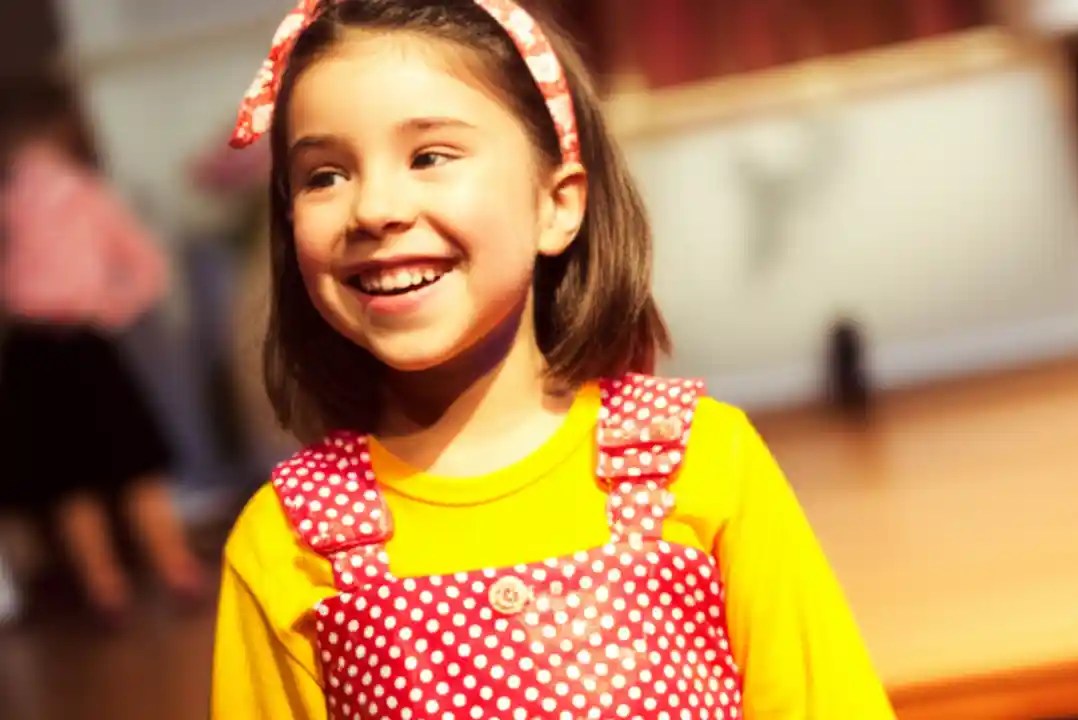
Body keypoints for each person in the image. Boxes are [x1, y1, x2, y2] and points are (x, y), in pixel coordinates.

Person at [211, 1, 895, 717]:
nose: (375, 208)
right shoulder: (286, 542)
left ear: (556, 205)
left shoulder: (704, 461)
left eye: (430, 156)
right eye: (324, 175)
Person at [0, 76, 207, 622]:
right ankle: (104, 586)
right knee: (68, 477)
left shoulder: (86, 196)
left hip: (85, 346)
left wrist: (106, 307)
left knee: (134, 463)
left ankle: (174, 566)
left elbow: (146, 266)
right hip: (33, 350)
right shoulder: (10, 204)